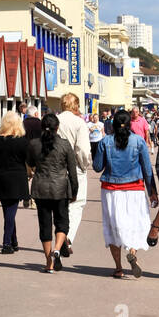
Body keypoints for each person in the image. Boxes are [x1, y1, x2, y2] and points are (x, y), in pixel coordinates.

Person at [93, 109, 156, 279]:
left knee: (113, 226)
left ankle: (118, 268)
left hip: (111, 190)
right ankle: (133, 252)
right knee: (134, 223)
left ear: (112, 124)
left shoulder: (105, 141)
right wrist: (152, 192)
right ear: (130, 124)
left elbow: (97, 167)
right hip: (134, 189)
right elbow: (147, 169)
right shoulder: (138, 141)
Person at [26, 114, 77, 273]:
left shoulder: (34, 144)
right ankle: (57, 248)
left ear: (42, 127)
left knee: (45, 225)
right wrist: (74, 190)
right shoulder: (64, 144)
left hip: (41, 188)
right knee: (62, 222)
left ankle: (49, 262)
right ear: (57, 127)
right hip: (60, 188)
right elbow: (72, 171)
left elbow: (30, 162)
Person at [0, 112, 29, 254]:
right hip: (17, 179)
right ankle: (6, 243)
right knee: (10, 211)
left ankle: (14, 241)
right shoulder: (22, 141)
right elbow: (29, 160)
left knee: (8, 211)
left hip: (0, 177)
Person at [55, 93, 93, 258]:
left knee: (59, 204)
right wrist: (85, 165)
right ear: (76, 105)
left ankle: (59, 235)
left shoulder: (54, 120)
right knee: (76, 203)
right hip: (74, 167)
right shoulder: (79, 123)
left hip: (54, 166)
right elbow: (82, 149)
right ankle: (67, 236)